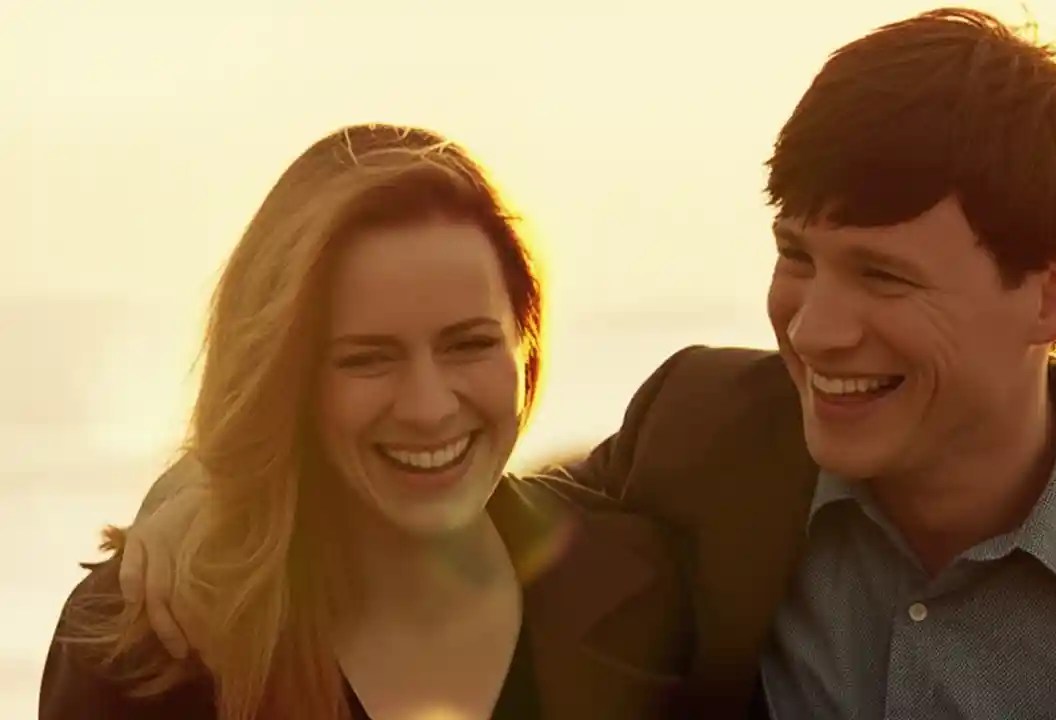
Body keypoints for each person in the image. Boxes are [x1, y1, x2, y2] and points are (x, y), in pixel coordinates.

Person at [109, 8, 1056, 720]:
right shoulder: (707, 434)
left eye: (881, 278)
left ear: (1055, 287)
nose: (814, 328)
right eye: (795, 257)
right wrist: (208, 486)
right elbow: (445, 499)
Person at [39, 124, 691, 720]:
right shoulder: (141, 652)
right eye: (368, 359)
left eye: (468, 344)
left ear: (527, 346)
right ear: (283, 379)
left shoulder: (641, 597)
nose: (430, 407)